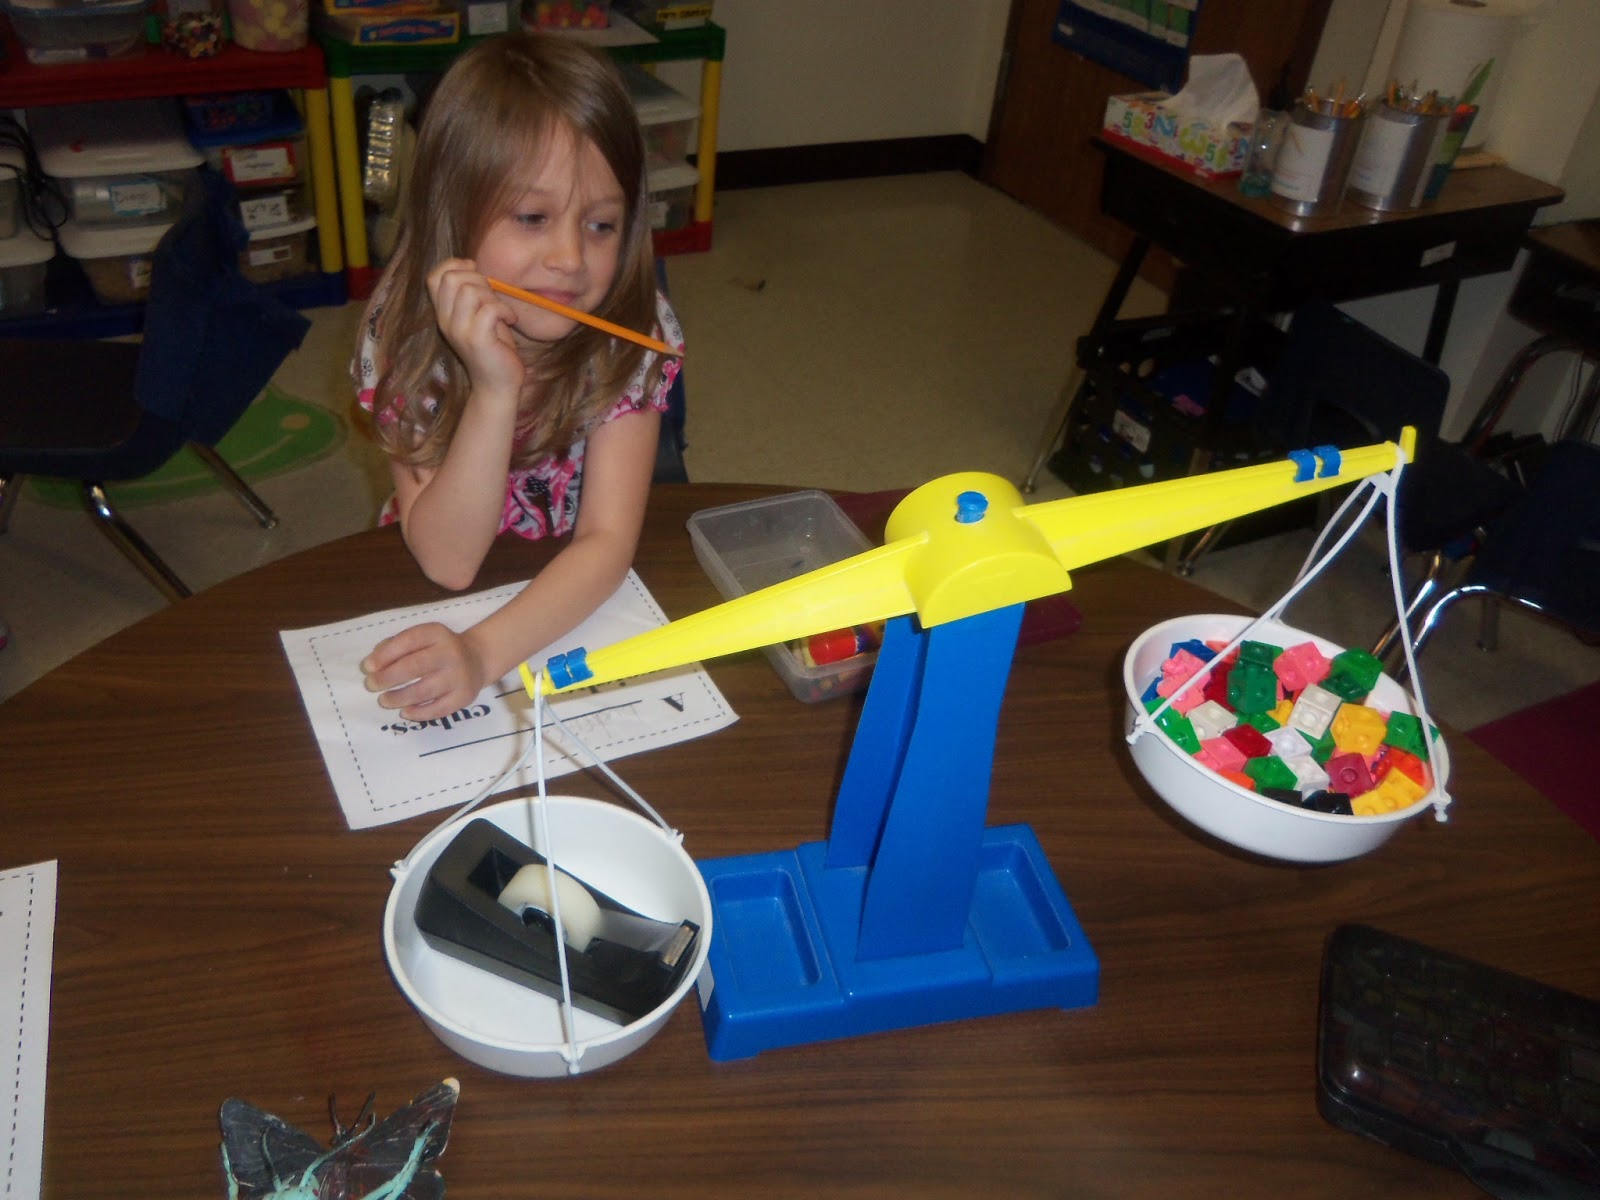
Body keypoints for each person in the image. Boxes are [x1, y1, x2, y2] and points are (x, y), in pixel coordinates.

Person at [354, 32, 683, 723]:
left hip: (572, 585)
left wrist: (482, 653)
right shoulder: (403, 330)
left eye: (601, 224)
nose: (569, 258)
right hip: (439, 560)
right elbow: (447, 561)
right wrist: (495, 388)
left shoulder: (632, 327)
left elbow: (607, 541)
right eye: (533, 218)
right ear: (454, 210)